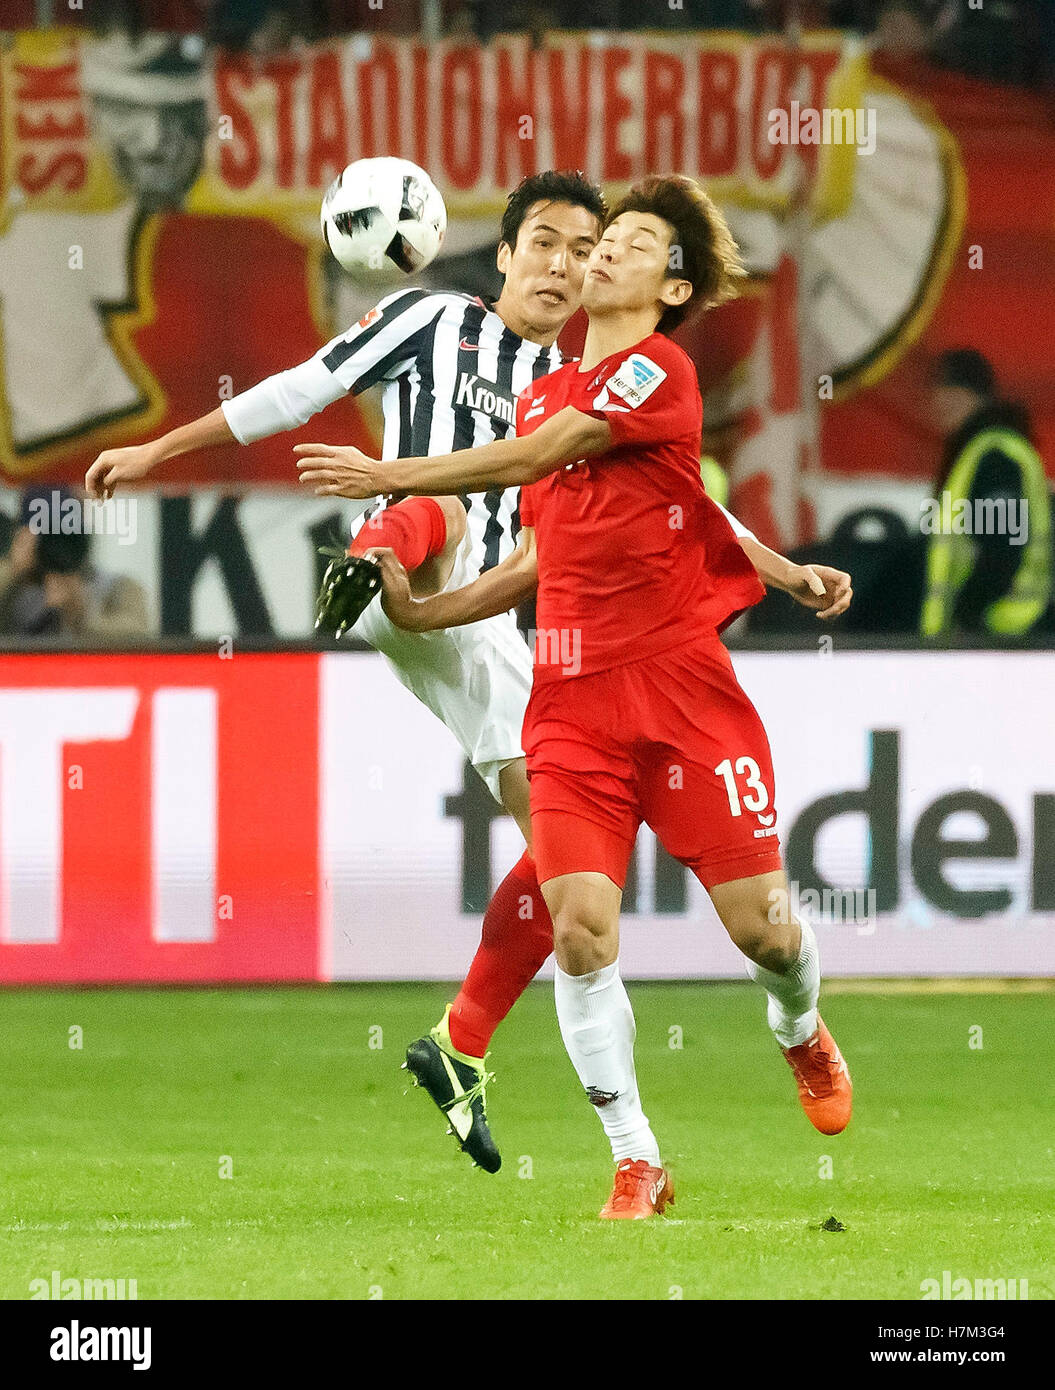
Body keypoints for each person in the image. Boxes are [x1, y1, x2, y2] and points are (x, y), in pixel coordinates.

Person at [89, 169, 847, 1177]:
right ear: (499, 253)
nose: (569, 261)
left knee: (616, 888)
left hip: (507, 629)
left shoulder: (608, 383)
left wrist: (781, 567)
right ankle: (628, 1157)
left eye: (591, 247)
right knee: (577, 902)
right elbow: (301, 390)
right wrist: (160, 450)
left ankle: (465, 1038)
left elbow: (654, 508)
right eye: (546, 241)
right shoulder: (434, 319)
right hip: (455, 590)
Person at [295, 174, 855, 1219]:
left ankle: (799, 1029)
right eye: (601, 242)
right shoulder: (545, 386)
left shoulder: (660, 372)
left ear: (671, 286)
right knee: (581, 929)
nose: (599, 255)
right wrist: (425, 613)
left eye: (630, 245)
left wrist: (395, 478)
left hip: (682, 693)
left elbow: (551, 454)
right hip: (570, 701)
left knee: (767, 934)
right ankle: (635, 1158)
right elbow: (546, 551)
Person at [921, 348, 1051, 639]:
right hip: (1005, 634)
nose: (936, 402)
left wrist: (966, 618)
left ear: (966, 397)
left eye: (946, 390)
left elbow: (1001, 550)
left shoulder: (994, 456)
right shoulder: (987, 451)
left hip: (1002, 635)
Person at [0, 488, 149, 641]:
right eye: (47, 535)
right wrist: (13, 570)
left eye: (67, 532)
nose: (57, 543)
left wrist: (81, 618)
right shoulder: (15, 585)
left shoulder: (118, 587)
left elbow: (139, 636)